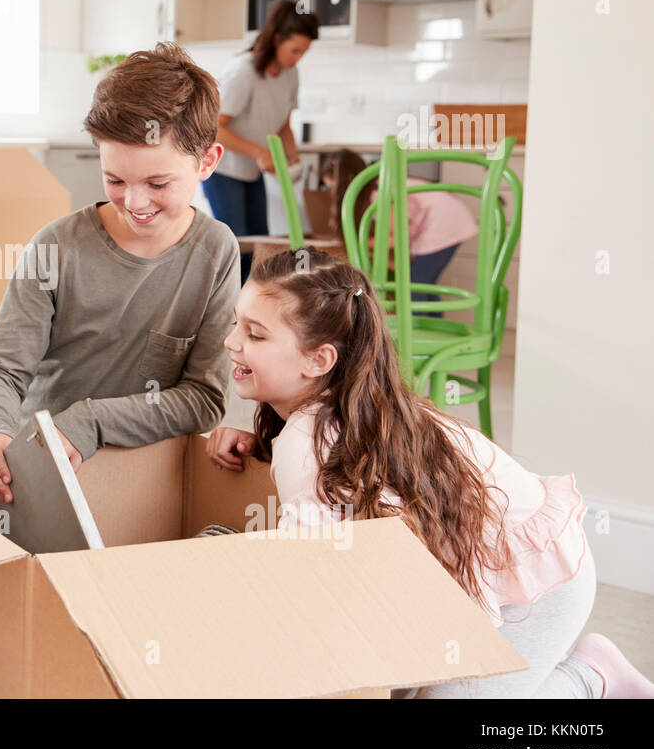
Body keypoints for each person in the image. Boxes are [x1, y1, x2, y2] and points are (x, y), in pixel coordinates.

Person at [209, 247, 653, 698]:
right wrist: (252, 436)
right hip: (502, 559)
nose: (231, 342)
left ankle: (591, 677)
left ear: (319, 361)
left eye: (255, 335)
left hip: (534, 588)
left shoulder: (308, 439)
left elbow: (298, 568)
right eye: (235, 323)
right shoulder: (351, 403)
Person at [0, 42, 242, 502]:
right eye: (115, 180)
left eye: (158, 183)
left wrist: (91, 420)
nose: (135, 202)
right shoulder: (57, 246)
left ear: (207, 162)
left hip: (150, 480)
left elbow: (204, 399)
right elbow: (1, 370)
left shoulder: (216, 250)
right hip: (40, 473)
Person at [204, 0, 318, 281]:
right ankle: (230, 316)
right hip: (223, 170)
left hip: (251, 170)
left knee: (258, 245)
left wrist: (290, 154)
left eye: (304, 52)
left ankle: (251, 313)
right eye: (295, 50)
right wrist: (259, 152)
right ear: (277, 39)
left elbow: (283, 124)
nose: (298, 57)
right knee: (237, 246)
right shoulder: (244, 71)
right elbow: (214, 127)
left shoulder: (290, 74)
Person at [322, 148, 478, 315]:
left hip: (443, 222)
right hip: (450, 218)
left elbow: (396, 238)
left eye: (333, 188)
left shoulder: (377, 195)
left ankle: (417, 333)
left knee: (414, 286)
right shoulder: (379, 186)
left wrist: (362, 243)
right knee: (424, 285)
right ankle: (435, 328)